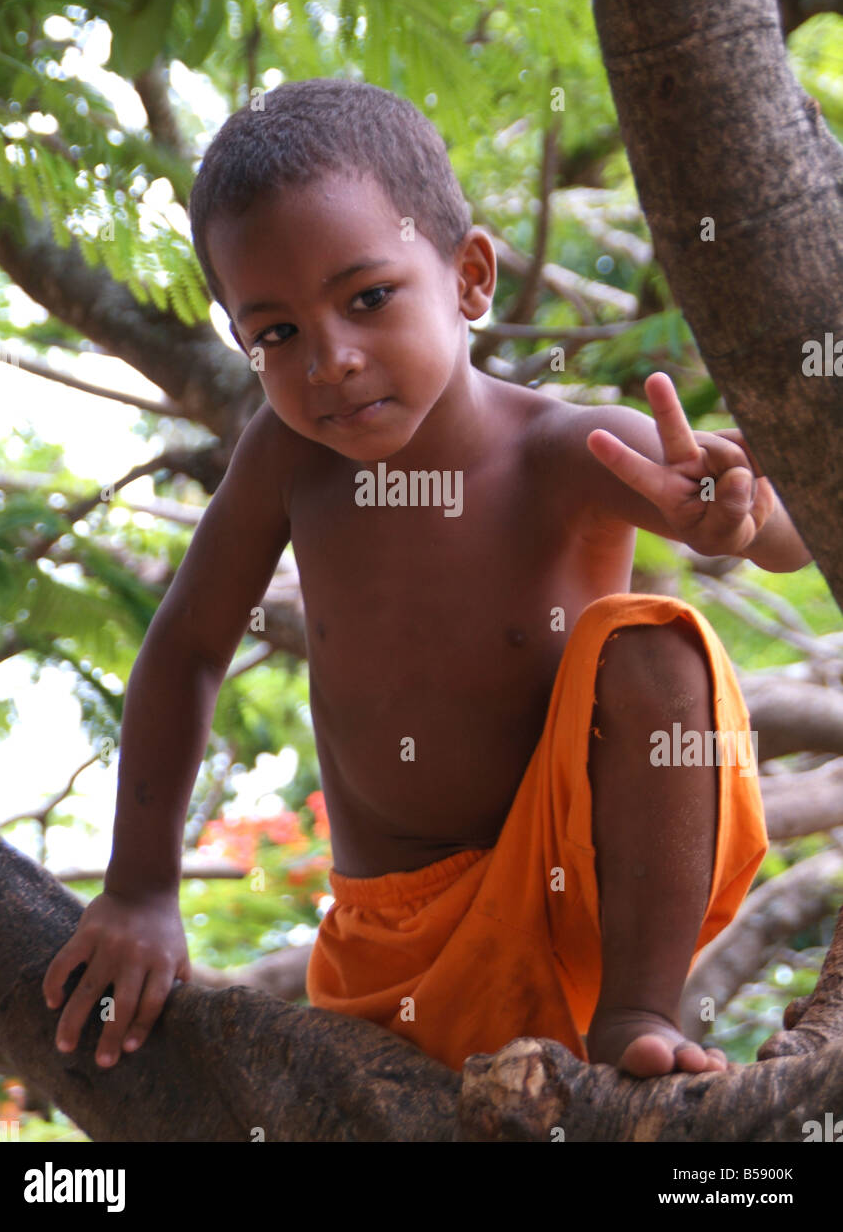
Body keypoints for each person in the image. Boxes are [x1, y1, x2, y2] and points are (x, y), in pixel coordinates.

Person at [43, 78, 807, 1080]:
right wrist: (140, 887)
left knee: (661, 643)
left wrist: (745, 515)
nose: (330, 360)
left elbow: (790, 541)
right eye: (274, 333)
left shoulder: (567, 448)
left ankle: (638, 1018)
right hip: (385, 952)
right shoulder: (284, 458)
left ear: (470, 277)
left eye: (366, 297)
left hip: (567, 903)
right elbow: (186, 647)